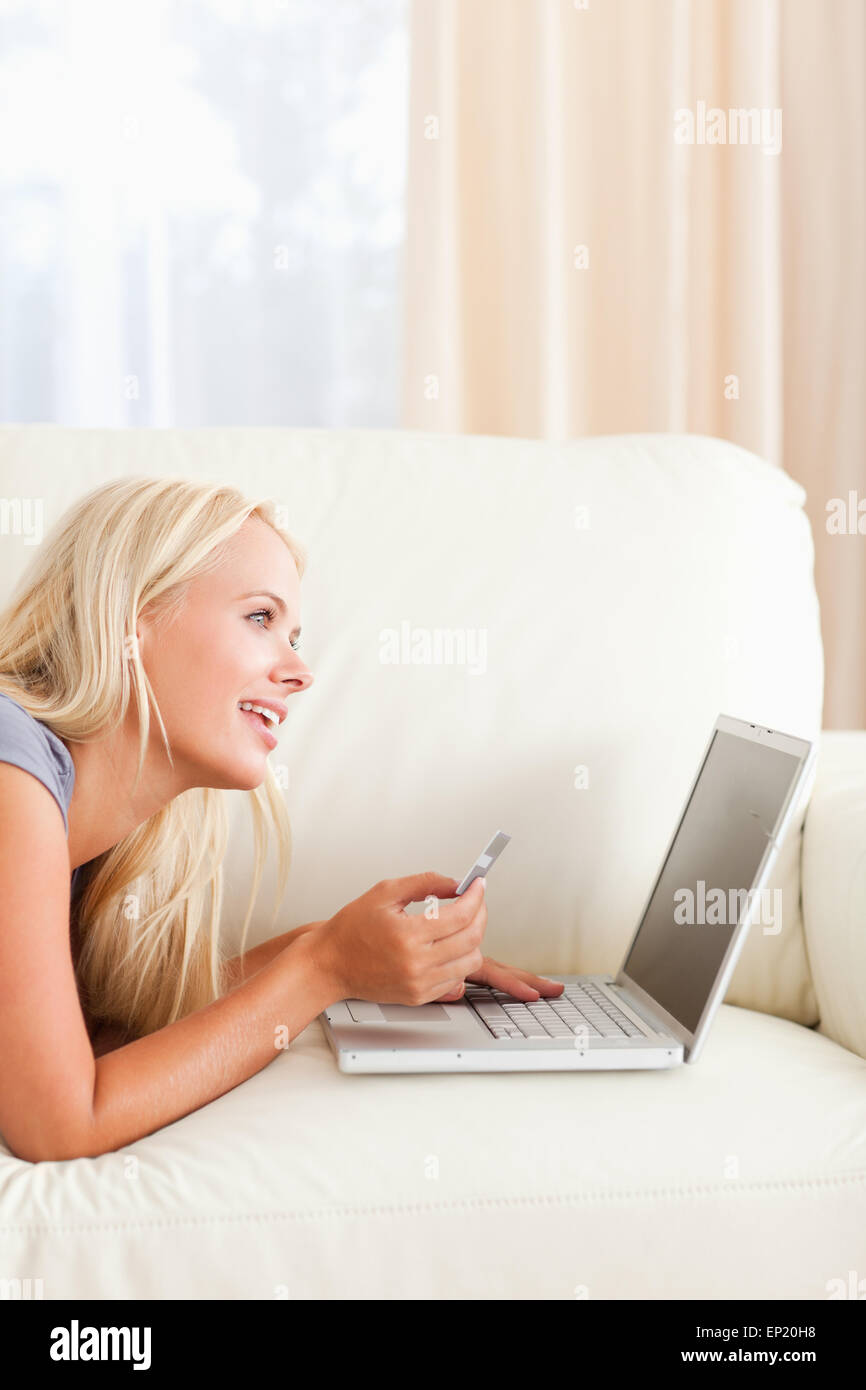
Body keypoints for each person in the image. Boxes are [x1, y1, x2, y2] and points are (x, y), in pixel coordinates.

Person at [0, 475, 562, 1163]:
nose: (300, 671)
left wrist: (339, 951)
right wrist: (324, 968)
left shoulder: (74, 830)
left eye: (294, 634)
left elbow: (85, 1054)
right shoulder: (11, 771)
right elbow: (58, 1122)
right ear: (132, 620)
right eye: (260, 618)